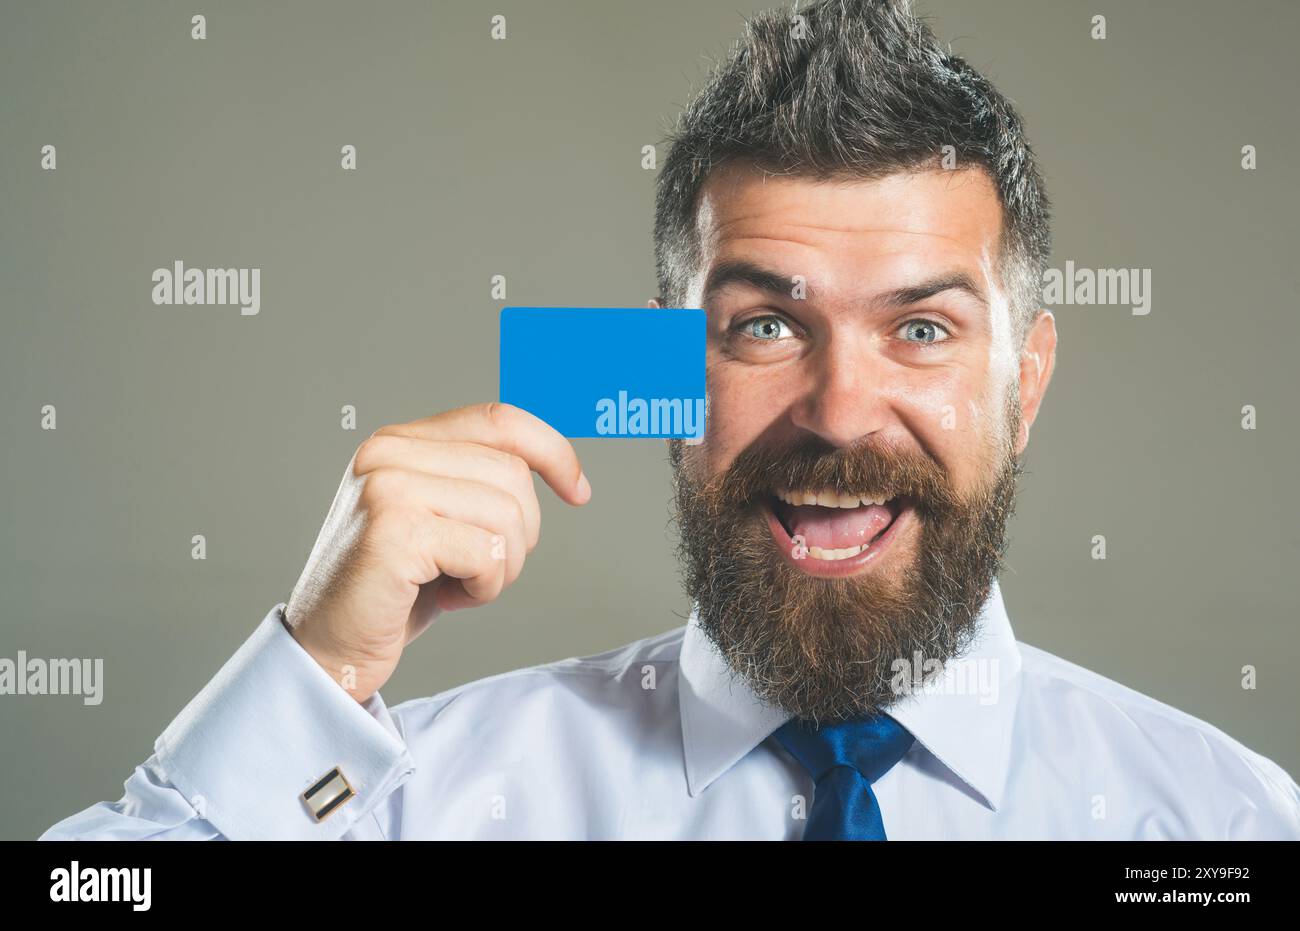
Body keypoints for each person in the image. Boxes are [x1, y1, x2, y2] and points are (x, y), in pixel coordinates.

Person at [41, 0, 1300, 840]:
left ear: (1021, 389)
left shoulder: (1219, 824)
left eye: (920, 328)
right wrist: (317, 674)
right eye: (762, 325)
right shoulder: (409, 799)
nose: (838, 409)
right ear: (657, 372)